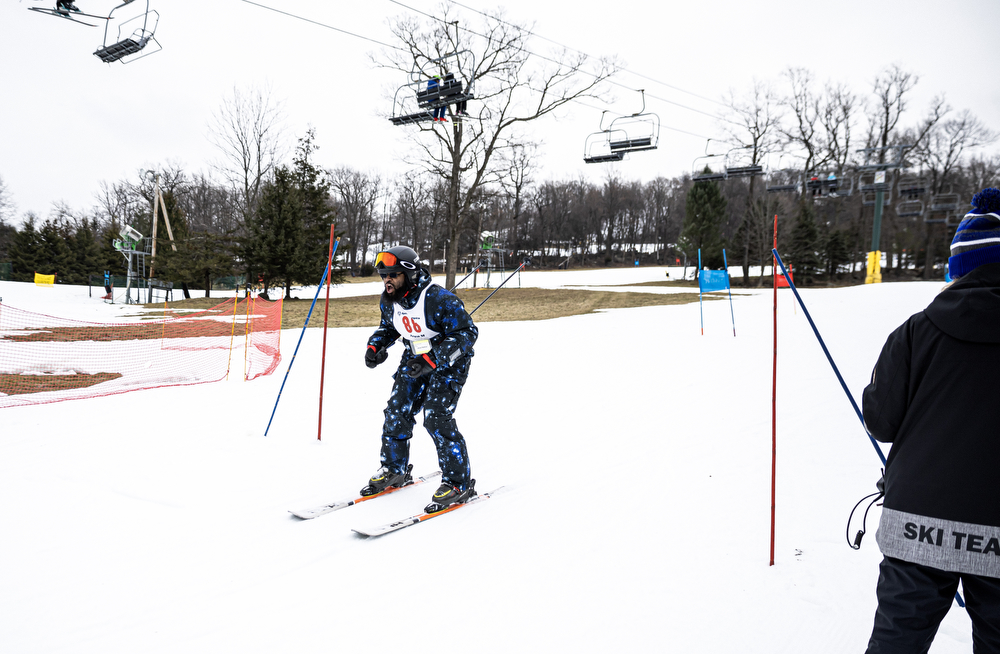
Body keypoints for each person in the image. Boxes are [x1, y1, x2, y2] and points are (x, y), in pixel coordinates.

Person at [862, 187, 1000, 653]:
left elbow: (881, 421)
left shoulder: (915, 331)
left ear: (957, 268)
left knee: (896, 643)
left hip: (915, 529)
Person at [362, 246, 478, 513]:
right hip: (414, 358)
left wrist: (433, 360)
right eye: (383, 276)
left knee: (436, 417)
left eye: (393, 274)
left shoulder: (438, 299)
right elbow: (389, 328)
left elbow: (467, 334)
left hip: (448, 362)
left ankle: (458, 483)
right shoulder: (389, 300)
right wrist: (375, 347)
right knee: (396, 410)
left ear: (410, 273)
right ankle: (394, 469)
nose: (387, 281)